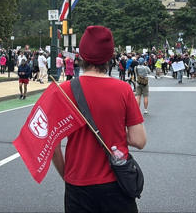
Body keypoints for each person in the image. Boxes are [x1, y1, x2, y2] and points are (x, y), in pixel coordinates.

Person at [52, 26, 146, 213]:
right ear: (109, 57)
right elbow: (139, 140)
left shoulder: (63, 90)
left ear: (81, 56)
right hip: (115, 182)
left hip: (77, 184)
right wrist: (114, 131)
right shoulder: (123, 90)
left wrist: (66, 175)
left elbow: (53, 144)